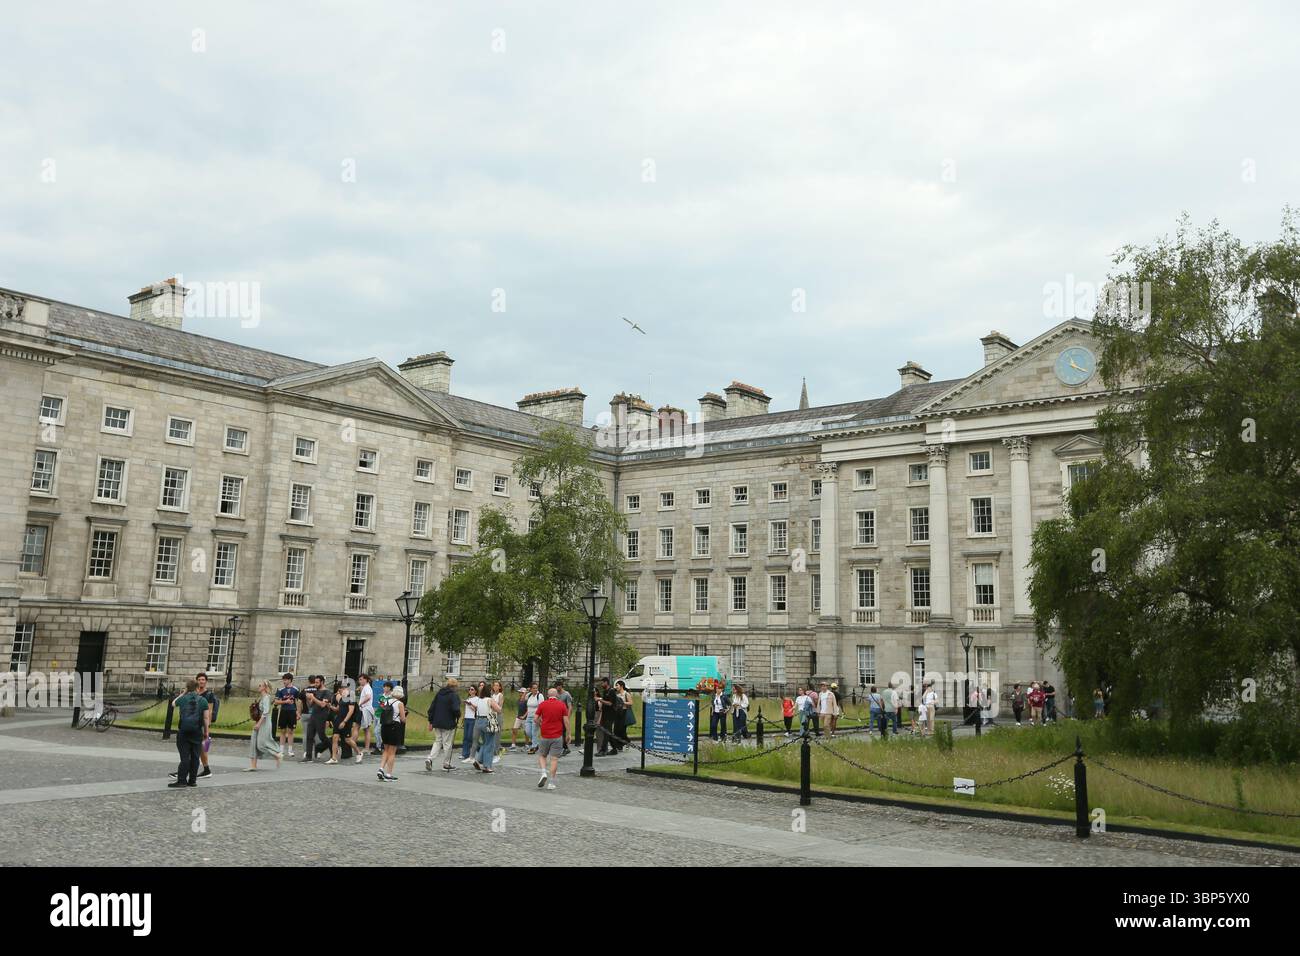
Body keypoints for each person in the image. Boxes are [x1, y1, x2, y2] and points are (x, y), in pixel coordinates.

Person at [169, 678, 207, 788]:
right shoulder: (203, 700)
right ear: (197, 687)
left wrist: (184, 693)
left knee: (185, 757)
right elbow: (205, 718)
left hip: (184, 731)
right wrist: (206, 732)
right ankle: (192, 780)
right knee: (195, 756)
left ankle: (181, 780)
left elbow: (173, 703)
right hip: (197, 731)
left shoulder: (183, 699)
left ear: (187, 688)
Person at [534, 685, 569, 790]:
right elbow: (566, 721)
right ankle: (551, 782)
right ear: (556, 695)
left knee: (542, 755)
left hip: (545, 734)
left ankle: (543, 772)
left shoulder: (542, 704)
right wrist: (569, 733)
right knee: (554, 759)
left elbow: (535, 718)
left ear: (548, 695)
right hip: (557, 735)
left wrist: (541, 724)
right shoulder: (562, 705)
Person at [246, 679, 283, 771]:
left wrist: (258, 724)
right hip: (259, 722)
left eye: (260, 685)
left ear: (265, 688)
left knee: (261, 744)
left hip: (264, 723)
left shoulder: (266, 697)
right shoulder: (261, 697)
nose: (258, 687)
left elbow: (266, 713)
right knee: (253, 742)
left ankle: (277, 754)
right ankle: (253, 765)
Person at [425, 677, 460, 772]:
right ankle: (446, 763)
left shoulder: (439, 694)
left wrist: (431, 721)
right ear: (455, 686)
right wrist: (458, 716)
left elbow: (432, 708)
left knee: (437, 741)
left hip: (437, 721)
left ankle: (430, 758)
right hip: (448, 722)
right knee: (447, 743)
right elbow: (456, 709)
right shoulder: (454, 695)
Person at [474, 681, 504, 773]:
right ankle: (487, 766)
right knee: (490, 744)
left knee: (485, 742)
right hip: (488, 722)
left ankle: (478, 760)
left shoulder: (479, 700)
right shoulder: (489, 700)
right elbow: (499, 709)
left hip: (479, 721)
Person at [376, 686, 405, 781]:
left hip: (385, 726)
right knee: (392, 752)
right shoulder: (400, 704)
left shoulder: (386, 701)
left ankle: (381, 768)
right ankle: (389, 773)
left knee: (386, 749)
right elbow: (403, 719)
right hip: (394, 727)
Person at [302, 675, 333, 762]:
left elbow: (323, 704)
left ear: (322, 682)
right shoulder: (316, 691)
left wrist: (313, 697)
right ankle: (308, 756)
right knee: (309, 736)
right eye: (315, 682)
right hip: (313, 715)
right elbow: (310, 705)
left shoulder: (327, 692)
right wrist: (308, 699)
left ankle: (333, 752)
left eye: (317, 682)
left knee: (322, 736)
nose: (315, 684)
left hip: (321, 716)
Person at [327, 681, 359, 765]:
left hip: (346, 721)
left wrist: (344, 721)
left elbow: (351, 711)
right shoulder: (341, 698)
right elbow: (338, 709)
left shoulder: (351, 697)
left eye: (341, 688)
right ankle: (334, 758)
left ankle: (359, 753)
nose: (339, 690)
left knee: (347, 740)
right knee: (335, 738)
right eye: (339, 688)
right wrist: (330, 706)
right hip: (338, 720)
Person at [195, 672, 217, 778]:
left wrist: (207, 728)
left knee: (204, 748)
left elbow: (210, 711)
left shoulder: (209, 695)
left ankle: (206, 769)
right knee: (197, 747)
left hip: (204, 724)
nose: (201, 681)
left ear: (206, 681)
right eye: (199, 679)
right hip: (194, 722)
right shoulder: (194, 693)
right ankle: (200, 768)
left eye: (203, 679)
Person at [274, 672, 300, 757]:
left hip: (292, 712)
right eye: (283, 680)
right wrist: (285, 701)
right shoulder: (280, 690)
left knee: (291, 731)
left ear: (289, 680)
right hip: (284, 711)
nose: (283, 681)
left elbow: (297, 702)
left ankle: (290, 750)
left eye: (285, 680)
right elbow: (276, 702)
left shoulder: (296, 690)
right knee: (282, 731)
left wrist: (298, 712)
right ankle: (281, 750)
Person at [357, 673, 378, 756]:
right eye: (359, 679)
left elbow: (368, 697)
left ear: (366, 680)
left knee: (367, 729)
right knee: (365, 729)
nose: (360, 681)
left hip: (366, 709)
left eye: (361, 679)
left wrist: (361, 703)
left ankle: (367, 748)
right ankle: (366, 747)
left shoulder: (367, 687)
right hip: (365, 709)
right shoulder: (365, 687)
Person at [460, 683, 481, 762]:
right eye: (469, 689)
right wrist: (463, 719)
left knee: (470, 737)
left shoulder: (477, 699)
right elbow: (466, 710)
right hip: (466, 719)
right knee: (465, 737)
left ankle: (481, 749)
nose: (470, 691)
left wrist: (470, 704)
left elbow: (476, 710)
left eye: (472, 689)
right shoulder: (468, 698)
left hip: (473, 719)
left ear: (475, 691)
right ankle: (465, 754)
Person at [524, 681, 546, 754]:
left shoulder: (540, 696)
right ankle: (537, 744)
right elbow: (522, 699)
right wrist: (526, 691)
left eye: (536, 688)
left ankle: (533, 747)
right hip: (528, 717)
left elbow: (541, 707)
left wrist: (539, 717)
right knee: (528, 732)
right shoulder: (529, 695)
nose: (535, 690)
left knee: (534, 732)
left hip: (536, 717)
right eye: (533, 688)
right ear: (531, 689)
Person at [554, 679, 574, 755]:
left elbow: (570, 707)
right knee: (558, 732)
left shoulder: (566, 694)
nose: (557, 688)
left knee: (562, 732)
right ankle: (563, 747)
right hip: (557, 716)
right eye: (556, 687)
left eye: (558, 686)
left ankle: (565, 748)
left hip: (564, 716)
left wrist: (568, 717)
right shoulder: (556, 694)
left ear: (561, 686)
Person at [614, 679, 633, 751]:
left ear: (621, 686)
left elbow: (631, 703)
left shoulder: (626, 694)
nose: (616, 687)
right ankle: (619, 746)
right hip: (617, 713)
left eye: (617, 685)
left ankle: (627, 741)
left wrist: (622, 703)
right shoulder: (616, 694)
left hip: (624, 713)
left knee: (622, 730)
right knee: (616, 730)